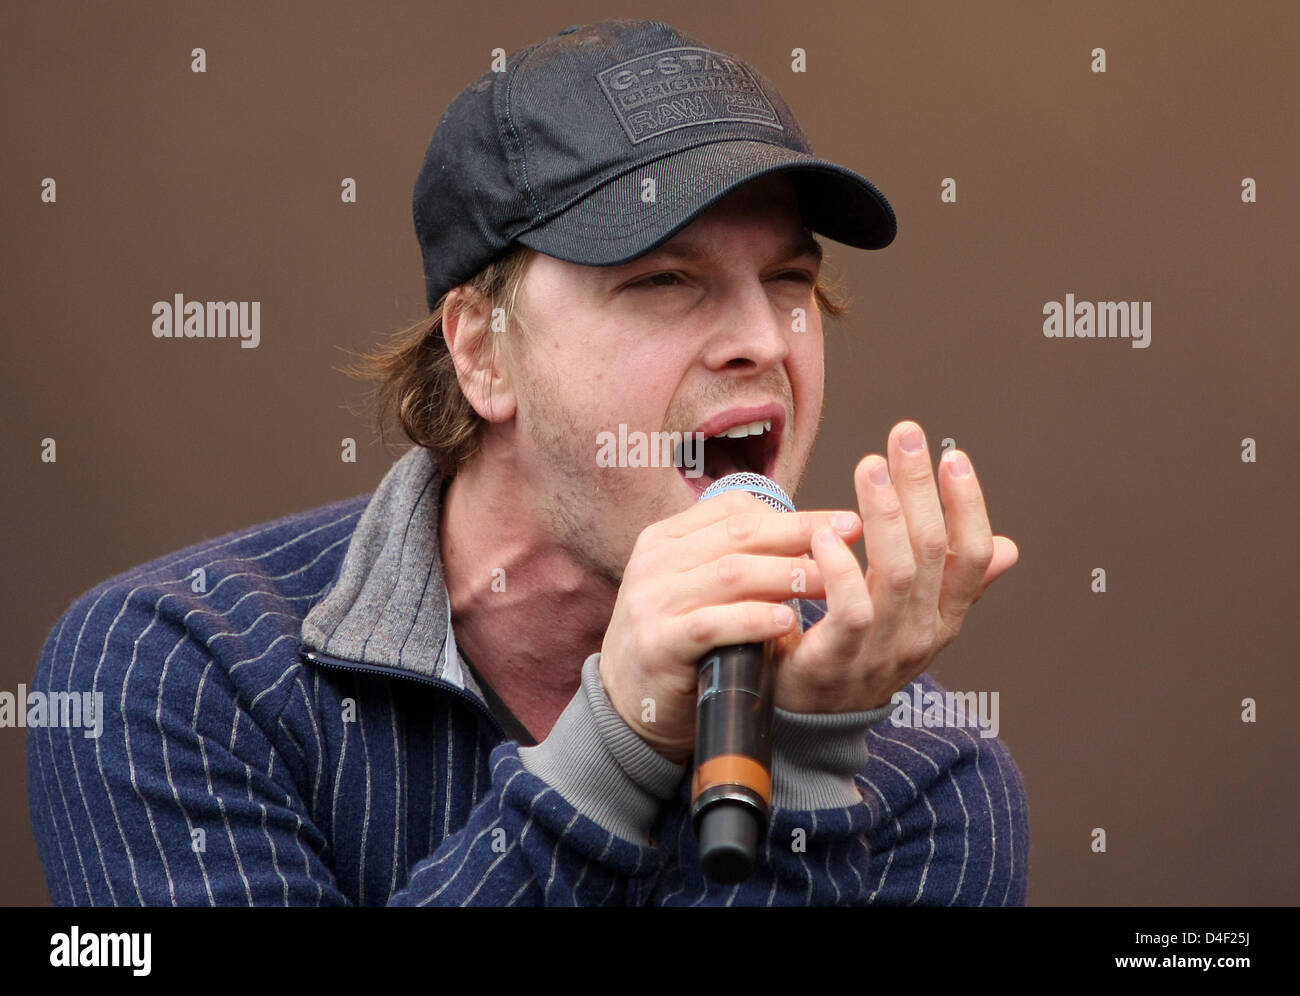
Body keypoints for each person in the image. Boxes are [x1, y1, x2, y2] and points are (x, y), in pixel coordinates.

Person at [27, 18, 1028, 906]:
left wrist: (802, 764)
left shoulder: (928, 773)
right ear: (481, 350)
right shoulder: (178, 672)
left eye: (788, 280)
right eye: (665, 279)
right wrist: (610, 754)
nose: (762, 340)